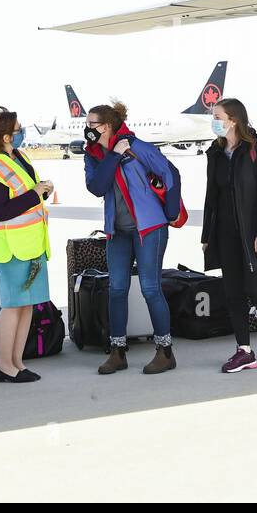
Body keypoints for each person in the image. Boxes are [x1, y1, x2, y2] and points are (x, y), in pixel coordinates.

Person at [83, 101, 176, 375]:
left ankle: (165, 351)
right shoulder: (94, 155)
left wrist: (169, 213)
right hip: (118, 231)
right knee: (116, 288)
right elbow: (96, 186)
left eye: (92, 124)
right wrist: (112, 155)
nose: (86, 129)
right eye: (86, 124)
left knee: (150, 288)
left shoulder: (137, 146)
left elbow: (170, 174)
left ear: (107, 126)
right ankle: (117, 351)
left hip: (149, 228)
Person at [201, 98, 257, 372]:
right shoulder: (215, 154)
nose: (214, 121)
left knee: (254, 288)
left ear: (234, 120)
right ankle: (244, 350)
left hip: (255, 234)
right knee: (233, 292)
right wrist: (206, 235)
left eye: (218, 116)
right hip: (225, 233)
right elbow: (210, 198)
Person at [0, 108, 53, 384]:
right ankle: (4, 365)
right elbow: (1, 211)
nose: (22, 132)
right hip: (11, 250)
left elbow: (27, 196)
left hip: (32, 245)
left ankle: (17, 362)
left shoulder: (19, 158)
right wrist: (35, 194)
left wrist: (41, 190)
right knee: (11, 307)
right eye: (19, 129)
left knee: (27, 306)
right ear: (6, 136)